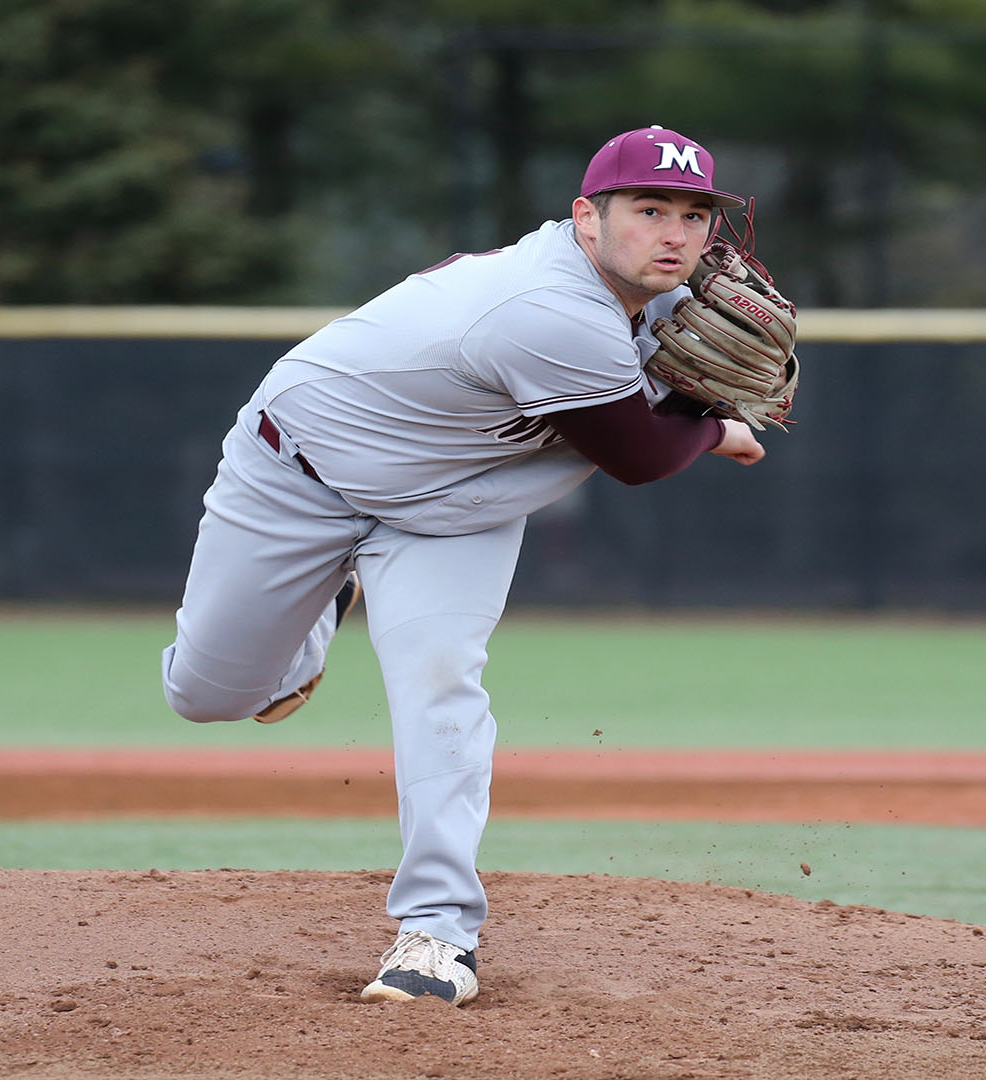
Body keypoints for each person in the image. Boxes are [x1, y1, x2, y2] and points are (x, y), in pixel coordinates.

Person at [160, 126, 768, 1007]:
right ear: (585, 220)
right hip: (299, 472)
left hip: (452, 509)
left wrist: (692, 394)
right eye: (647, 210)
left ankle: (438, 934)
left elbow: (654, 406)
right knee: (205, 695)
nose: (674, 234)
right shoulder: (546, 306)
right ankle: (322, 603)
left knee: (441, 683)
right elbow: (638, 456)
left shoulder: (670, 300)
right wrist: (713, 425)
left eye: (693, 214)